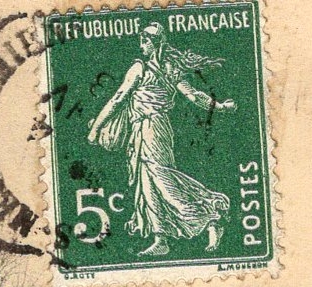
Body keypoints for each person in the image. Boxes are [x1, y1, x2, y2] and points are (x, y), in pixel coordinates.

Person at [87, 23, 237, 256]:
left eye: (144, 42)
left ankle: (211, 216)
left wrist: (96, 128)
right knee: (148, 183)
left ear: (155, 43)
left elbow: (118, 99)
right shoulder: (169, 68)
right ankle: (161, 238)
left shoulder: (142, 68)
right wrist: (220, 107)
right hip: (147, 129)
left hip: (151, 128)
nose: (141, 46)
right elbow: (194, 96)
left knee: (162, 179)